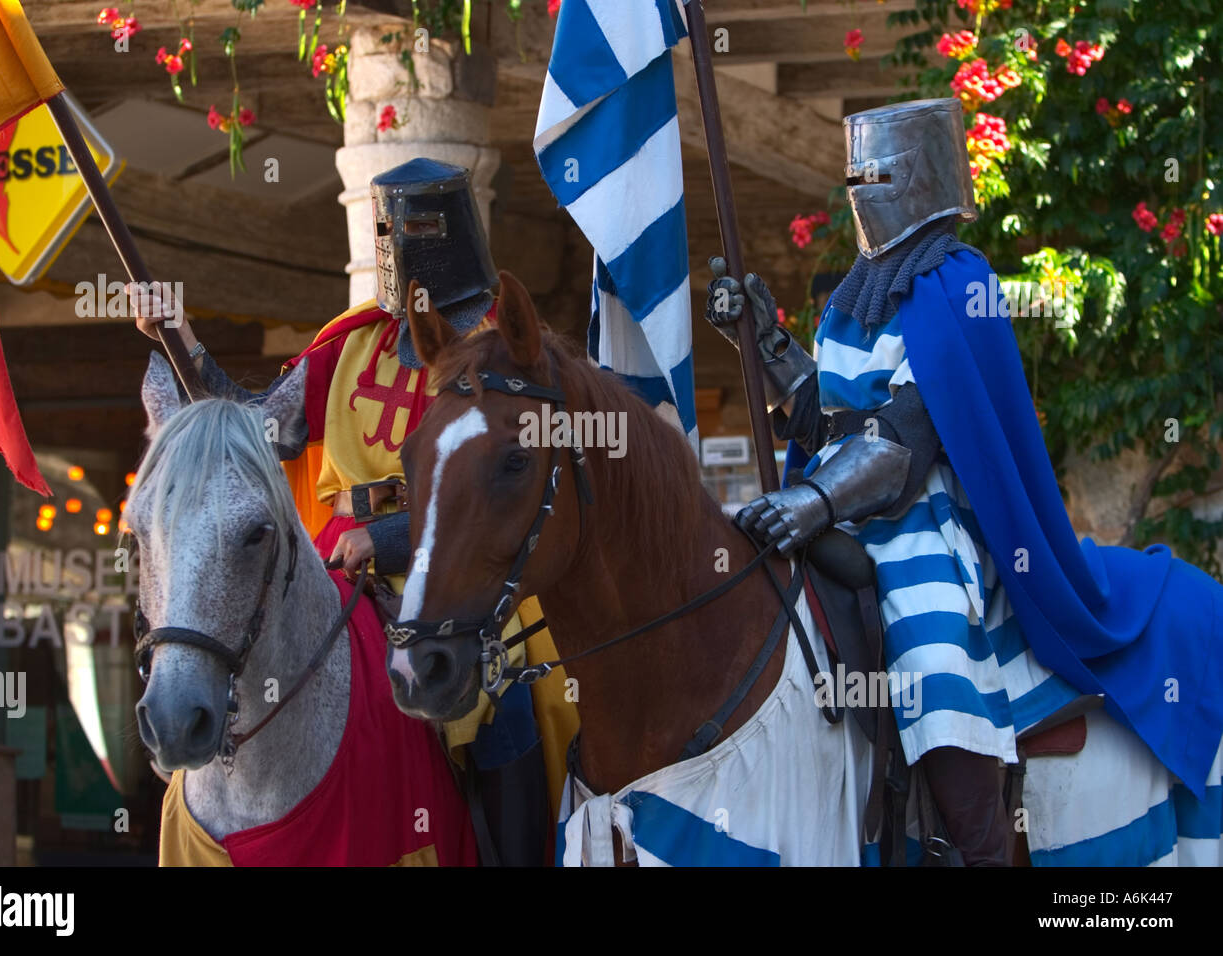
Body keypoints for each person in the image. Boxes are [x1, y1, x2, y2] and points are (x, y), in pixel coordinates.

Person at [706, 97, 1223, 865]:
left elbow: (905, 438)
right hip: (843, 519)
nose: (862, 187)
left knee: (930, 661)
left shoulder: (953, 280)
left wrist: (811, 499)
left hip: (925, 527)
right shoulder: (854, 293)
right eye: (855, 171)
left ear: (916, 173)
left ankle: (976, 848)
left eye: (876, 170)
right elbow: (829, 414)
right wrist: (765, 344)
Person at [132, 157, 577, 866]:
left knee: (509, 695)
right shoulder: (349, 342)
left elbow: (501, 486)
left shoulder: (496, 352)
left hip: (457, 561)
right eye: (387, 225)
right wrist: (178, 337)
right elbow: (257, 427)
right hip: (333, 555)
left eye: (409, 225)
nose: (395, 240)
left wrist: (391, 536)